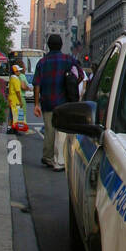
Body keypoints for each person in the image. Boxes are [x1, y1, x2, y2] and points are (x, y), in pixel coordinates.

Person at [33, 35, 84, 170]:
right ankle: (58, 160)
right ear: (61, 45)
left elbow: (36, 84)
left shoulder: (42, 62)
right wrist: (72, 86)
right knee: (60, 132)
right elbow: (81, 75)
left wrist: (36, 104)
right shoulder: (68, 60)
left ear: (48, 45)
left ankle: (47, 157)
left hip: (47, 102)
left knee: (49, 130)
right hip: (63, 102)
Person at [7, 64, 28, 132]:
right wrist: (20, 101)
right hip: (15, 100)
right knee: (15, 116)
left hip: (11, 99)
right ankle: (13, 129)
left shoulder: (12, 78)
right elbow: (18, 91)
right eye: (18, 71)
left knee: (11, 115)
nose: (19, 72)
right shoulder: (15, 79)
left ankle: (10, 128)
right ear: (15, 72)